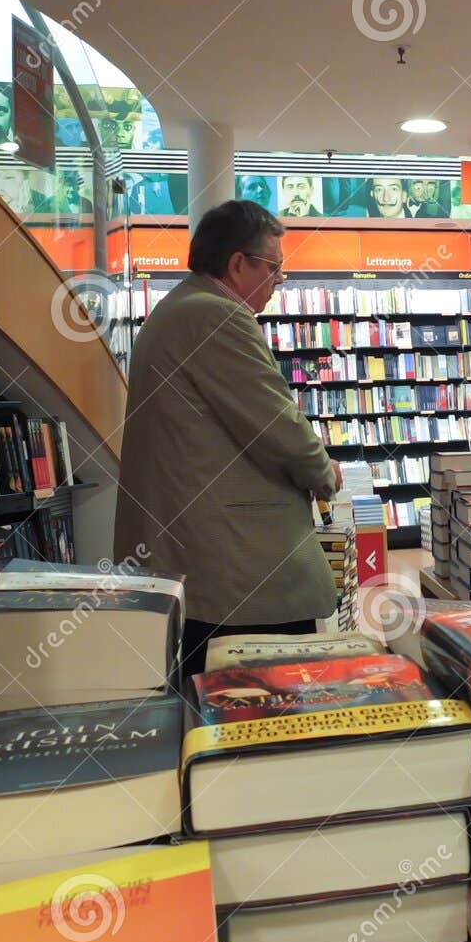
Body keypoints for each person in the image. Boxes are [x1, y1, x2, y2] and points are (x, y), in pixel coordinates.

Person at [115, 199, 343, 678]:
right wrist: (324, 472)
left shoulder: (177, 308)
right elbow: (275, 424)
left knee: (211, 705)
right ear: (238, 263)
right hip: (236, 572)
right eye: (275, 266)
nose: (280, 280)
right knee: (263, 707)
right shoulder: (216, 316)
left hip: (194, 559)